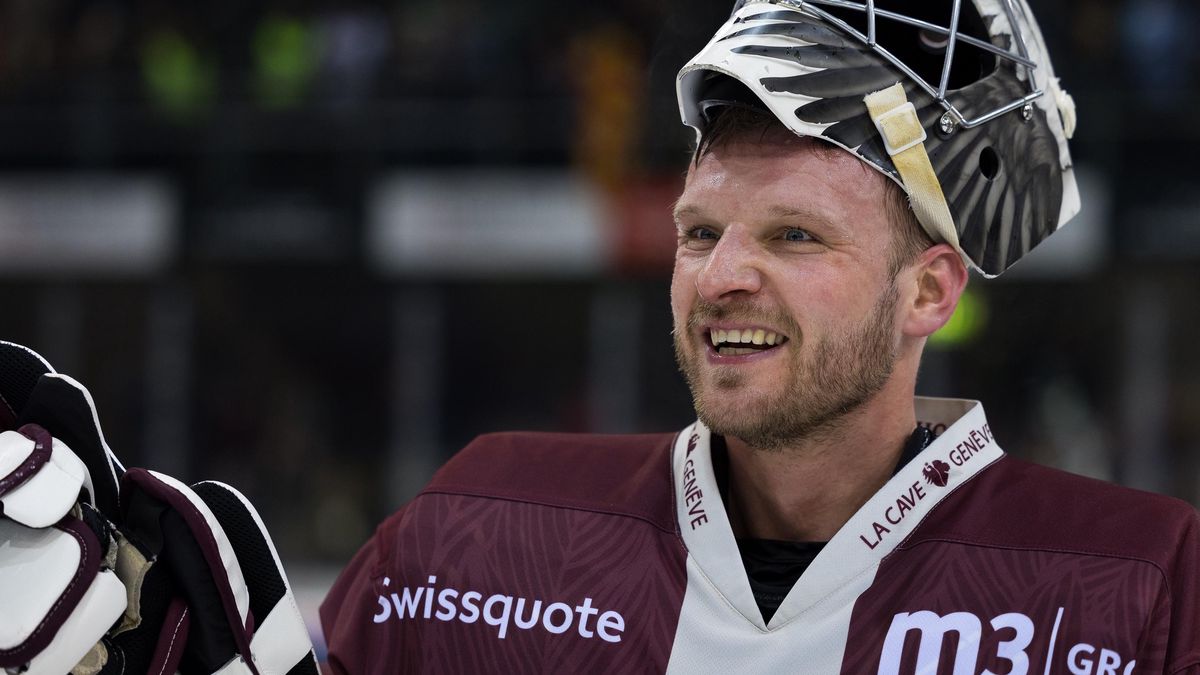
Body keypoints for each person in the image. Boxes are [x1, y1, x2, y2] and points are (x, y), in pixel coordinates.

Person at [321, 1, 1199, 672]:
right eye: (699, 233)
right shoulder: (481, 529)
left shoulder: (1139, 587)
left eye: (795, 236)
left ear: (929, 290)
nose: (719, 276)